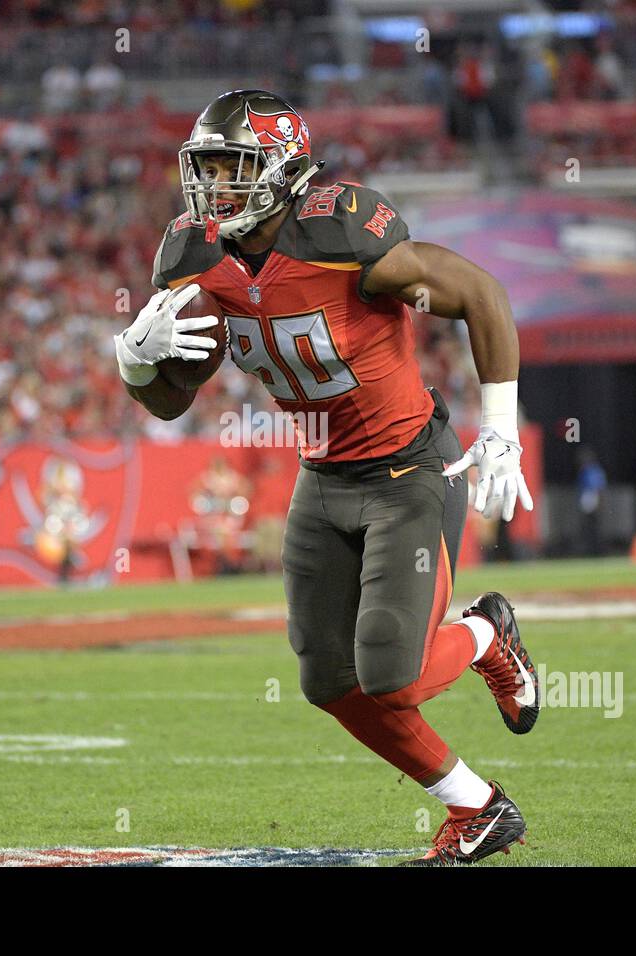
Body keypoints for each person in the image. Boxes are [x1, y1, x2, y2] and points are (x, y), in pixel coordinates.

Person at [114, 90, 537, 866]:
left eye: (231, 169)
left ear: (282, 170)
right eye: (204, 169)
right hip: (324, 477)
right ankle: (475, 805)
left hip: (411, 466)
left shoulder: (340, 231)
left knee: (390, 674)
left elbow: (483, 293)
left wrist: (501, 431)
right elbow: (173, 400)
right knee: (327, 678)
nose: (213, 188)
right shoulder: (195, 256)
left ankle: (483, 635)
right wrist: (138, 363)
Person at [577, 447, 607, 556]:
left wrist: (600, 503)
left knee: (593, 528)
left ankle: (596, 550)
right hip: (588, 501)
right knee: (588, 527)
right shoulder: (586, 471)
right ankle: (590, 549)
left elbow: (598, 488)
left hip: (592, 501)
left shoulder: (593, 471)